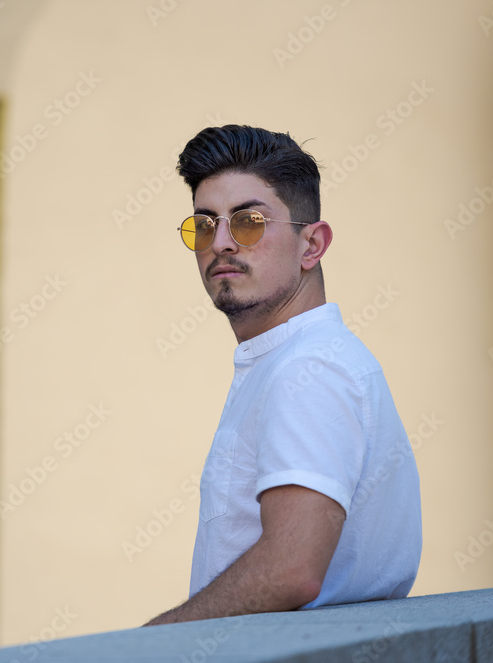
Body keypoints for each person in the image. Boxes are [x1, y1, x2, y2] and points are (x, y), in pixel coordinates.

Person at [144, 125, 422, 626]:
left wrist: (155, 642)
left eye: (249, 221)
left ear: (311, 245)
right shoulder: (287, 361)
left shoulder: (309, 368)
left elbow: (292, 568)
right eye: (204, 225)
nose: (222, 243)